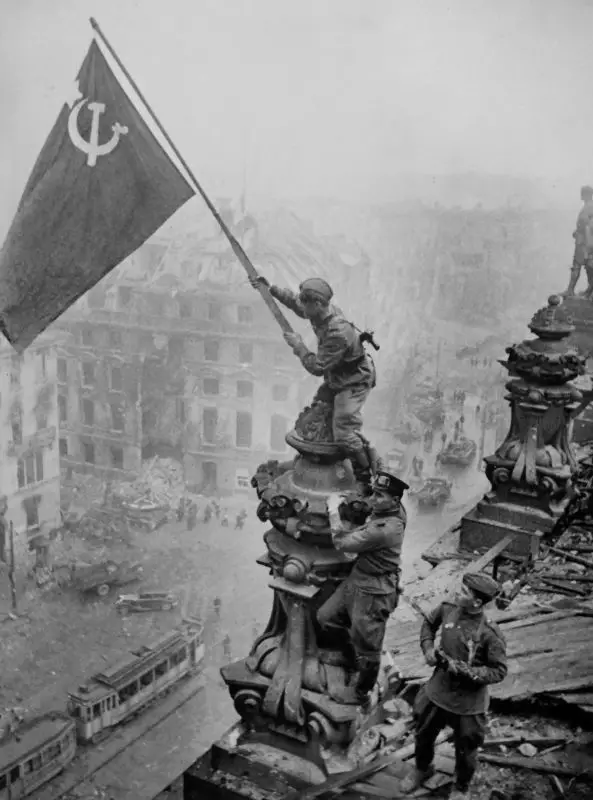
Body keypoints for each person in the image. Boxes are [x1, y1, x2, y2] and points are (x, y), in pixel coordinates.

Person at [249, 274, 376, 485]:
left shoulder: (338, 331)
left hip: (353, 382)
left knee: (344, 430)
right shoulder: (320, 312)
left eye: (306, 303)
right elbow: (297, 305)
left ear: (317, 304)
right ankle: (316, 454)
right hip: (337, 377)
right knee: (318, 410)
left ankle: (364, 473)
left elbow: (317, 367)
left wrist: (298, 345)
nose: (302, 308)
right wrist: (270, 289)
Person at [400, 572, 507, 799]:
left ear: (478, 602)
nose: (457, 592)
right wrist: (428, 648)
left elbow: (499, 671)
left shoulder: (490, 633)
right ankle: (423, 768)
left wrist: (469, 671)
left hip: (469, 702)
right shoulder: (448, 608)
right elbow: (428, 624)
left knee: (467, 748)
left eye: (464, 592)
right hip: (438, 689)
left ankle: (461, 787)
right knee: (423, 732)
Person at [318, 470, 408, 706]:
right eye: (374, 494)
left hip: (373, 591)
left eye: (380, 496)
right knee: (326, 617)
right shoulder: (395, 510)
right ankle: (351, 658)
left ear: (395, 500)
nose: (373, 500)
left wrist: (332, 509)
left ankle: (361, 692)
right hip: (360, 578)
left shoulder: (385, 529)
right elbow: (374, 501)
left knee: (369, 648)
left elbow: (342, 542)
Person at [566, 185, 593, 297]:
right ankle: (589, 290)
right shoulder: (588, 206)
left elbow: (588, 226)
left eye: (582, 193)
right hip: (583, 239)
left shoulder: (589, 207)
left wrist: (588, 243)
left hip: (584, 241)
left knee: (578, 265)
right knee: (588, 266)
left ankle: (571, 290)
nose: (581, 196)